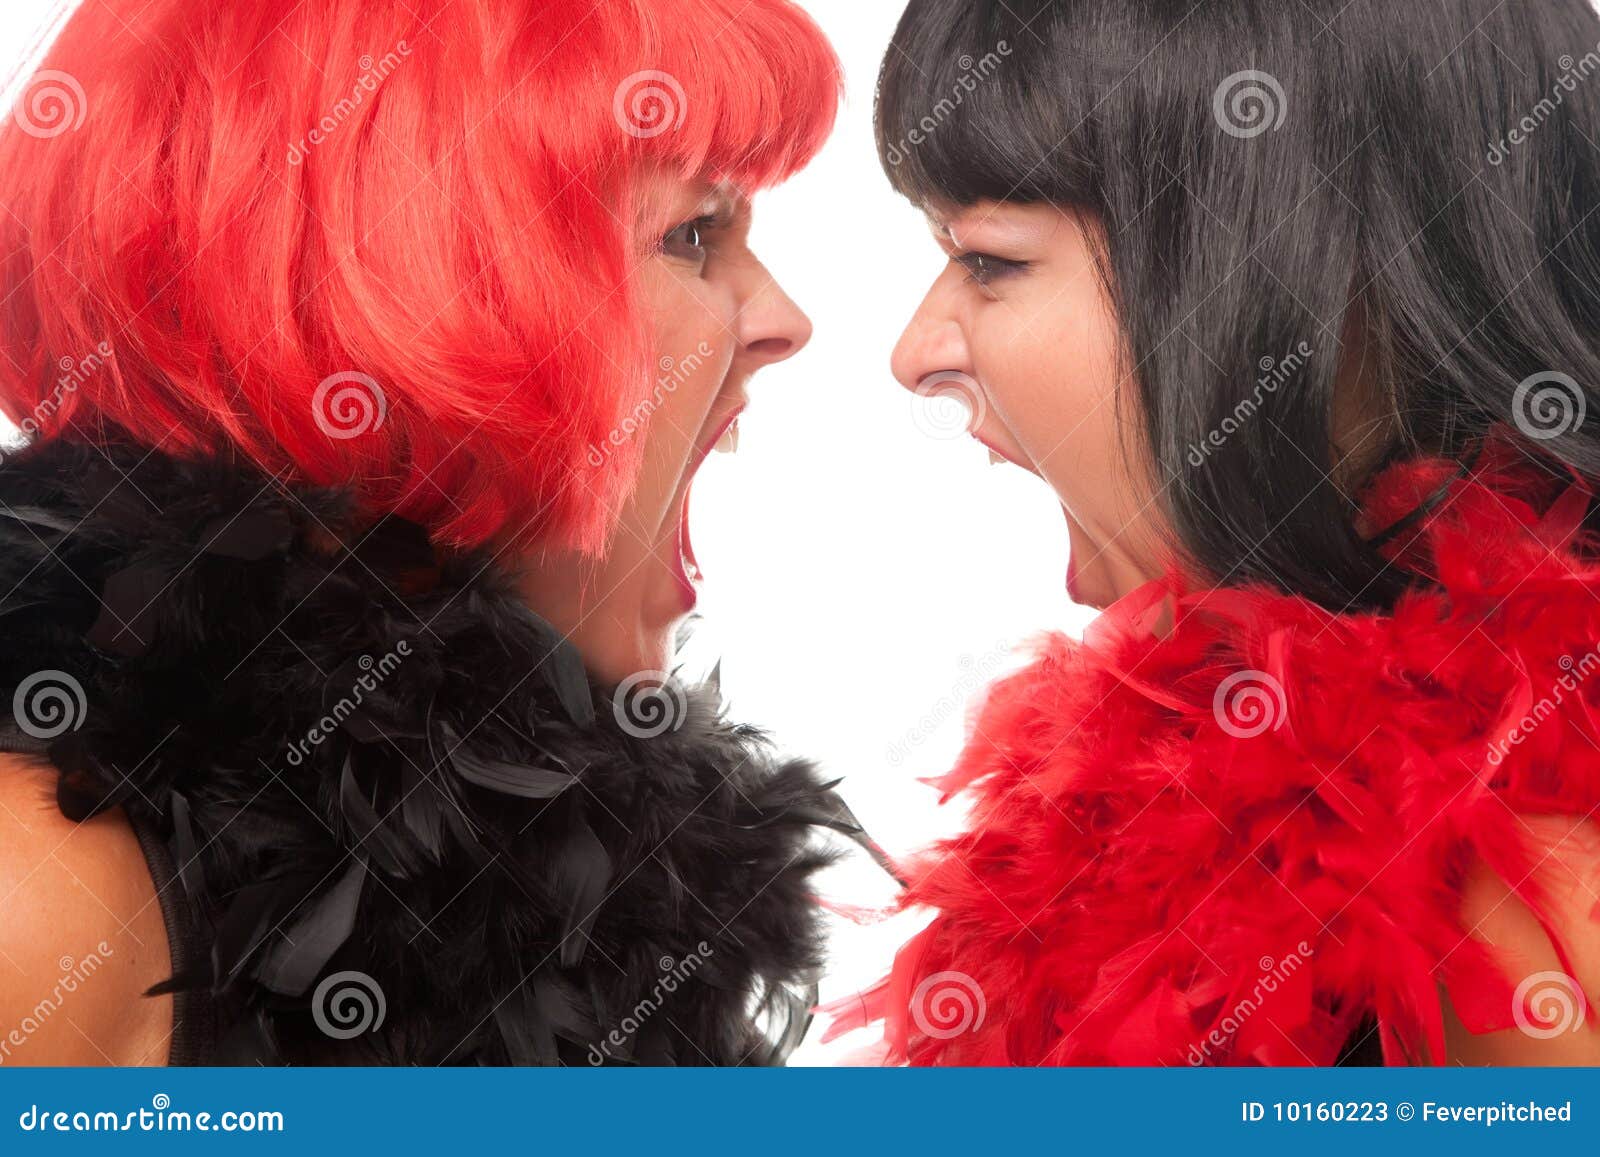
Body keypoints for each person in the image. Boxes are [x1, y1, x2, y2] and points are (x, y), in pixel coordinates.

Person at [0, 0, 850, 1066]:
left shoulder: (574, 863)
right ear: (412, 296)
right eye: (693, 234)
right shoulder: (45, 890)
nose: (783, 318)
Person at [830, 0, 1600, 1065]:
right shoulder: (1183, 765)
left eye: (990, 259)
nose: (914, 351)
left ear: (1319, 283)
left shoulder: (1529, 900)